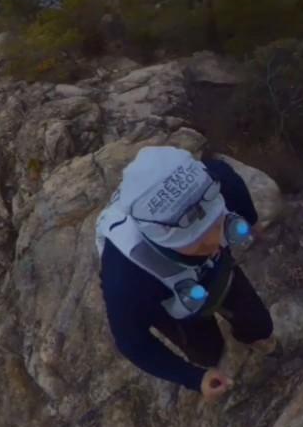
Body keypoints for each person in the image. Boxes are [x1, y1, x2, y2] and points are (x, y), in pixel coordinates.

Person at [95, 145, 273, 400]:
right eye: (199, 241)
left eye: (217, 225)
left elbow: (229, 178)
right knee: (208, 352)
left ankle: (254, 336)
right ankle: (213, 352)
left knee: (258, 322)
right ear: (162, 241)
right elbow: (132, 343)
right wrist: (194, 377)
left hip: (216, 272)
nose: (214, 241)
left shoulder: (213, 182)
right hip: (169, 301)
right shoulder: (126, 278)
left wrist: (251, 221)